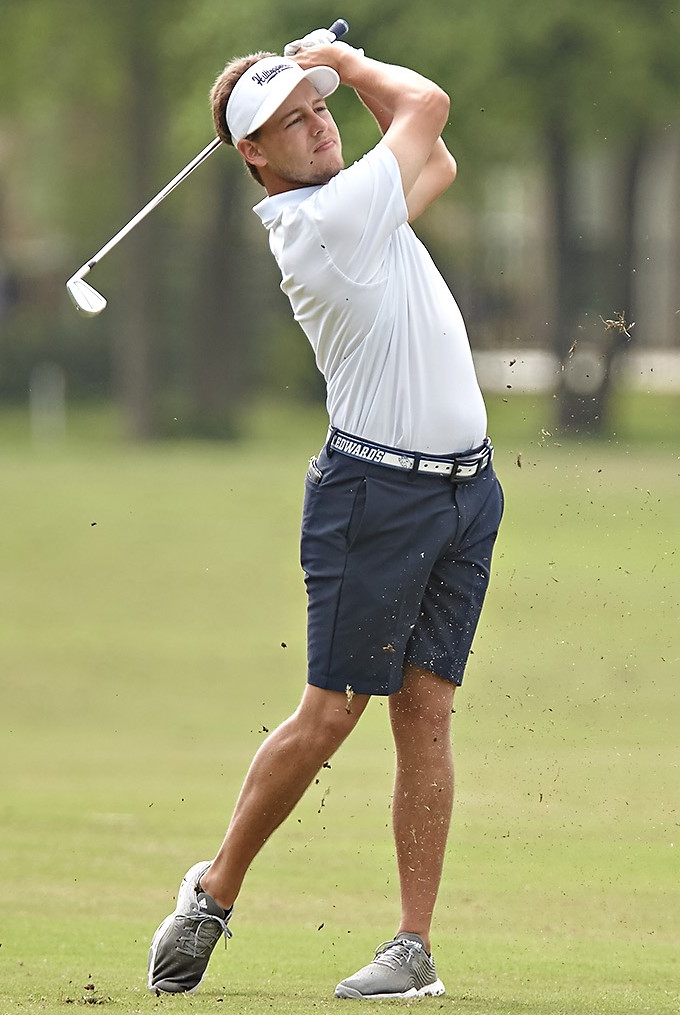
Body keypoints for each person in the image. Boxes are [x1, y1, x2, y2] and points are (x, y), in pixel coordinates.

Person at [146, 32, 503, 1002]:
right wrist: (348, 66)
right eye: (291, 122)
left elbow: (436, 159)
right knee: (333, 713)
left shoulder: (357, 203)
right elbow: (428, 108)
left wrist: (341, 82)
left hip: (466, 493)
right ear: (253, 154)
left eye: (318, 110)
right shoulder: (327, 224)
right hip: (375, 499)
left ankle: (413, 947)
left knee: (426, 713)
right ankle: (214, 892)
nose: (318, 126)